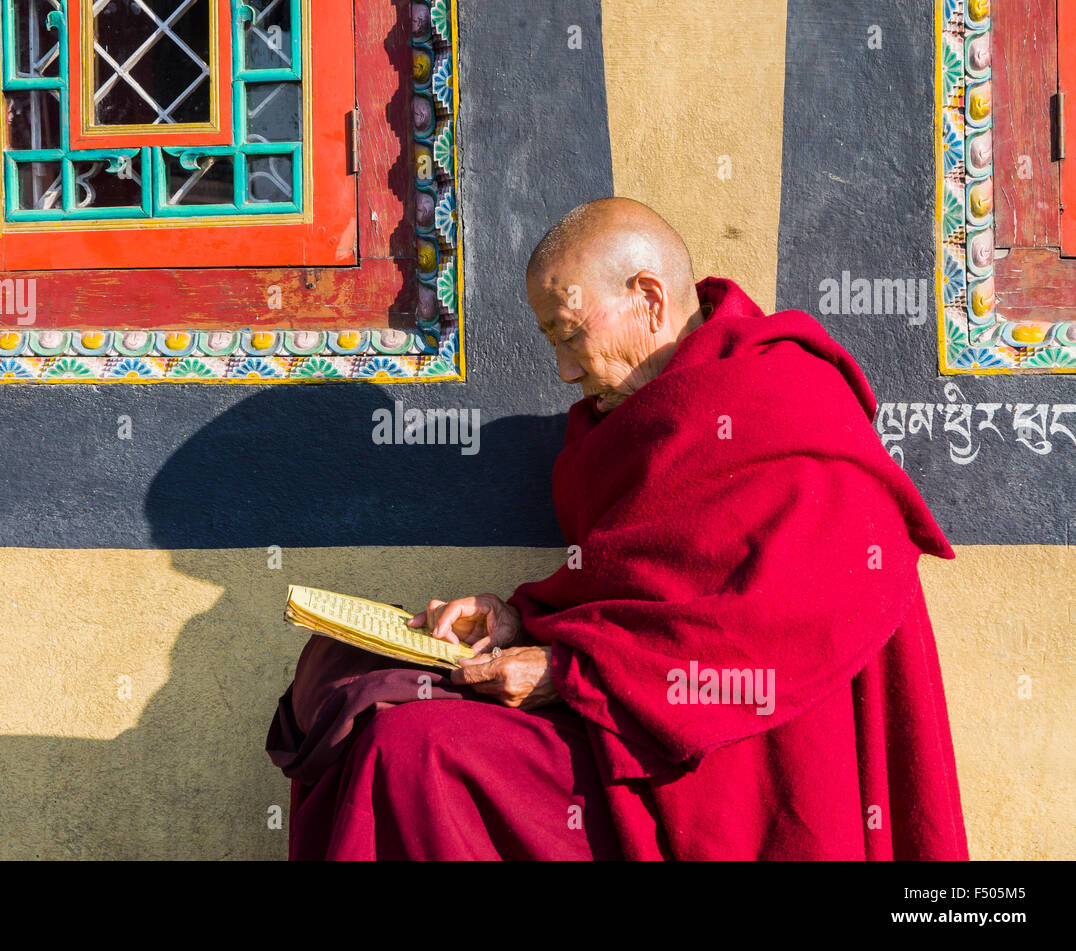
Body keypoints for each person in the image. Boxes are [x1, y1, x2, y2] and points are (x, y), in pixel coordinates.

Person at [267, 197, 969, 860]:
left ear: (650, 298)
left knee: (415, 751)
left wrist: (572, 672)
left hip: (737, 762)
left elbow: (769, 629)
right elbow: (634, 586)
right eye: (552, 343)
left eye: (570, 337)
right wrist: (521, 621)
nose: (565, 371)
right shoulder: (625, 427)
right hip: (623, 717)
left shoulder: (786, 404)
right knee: (382, 723)